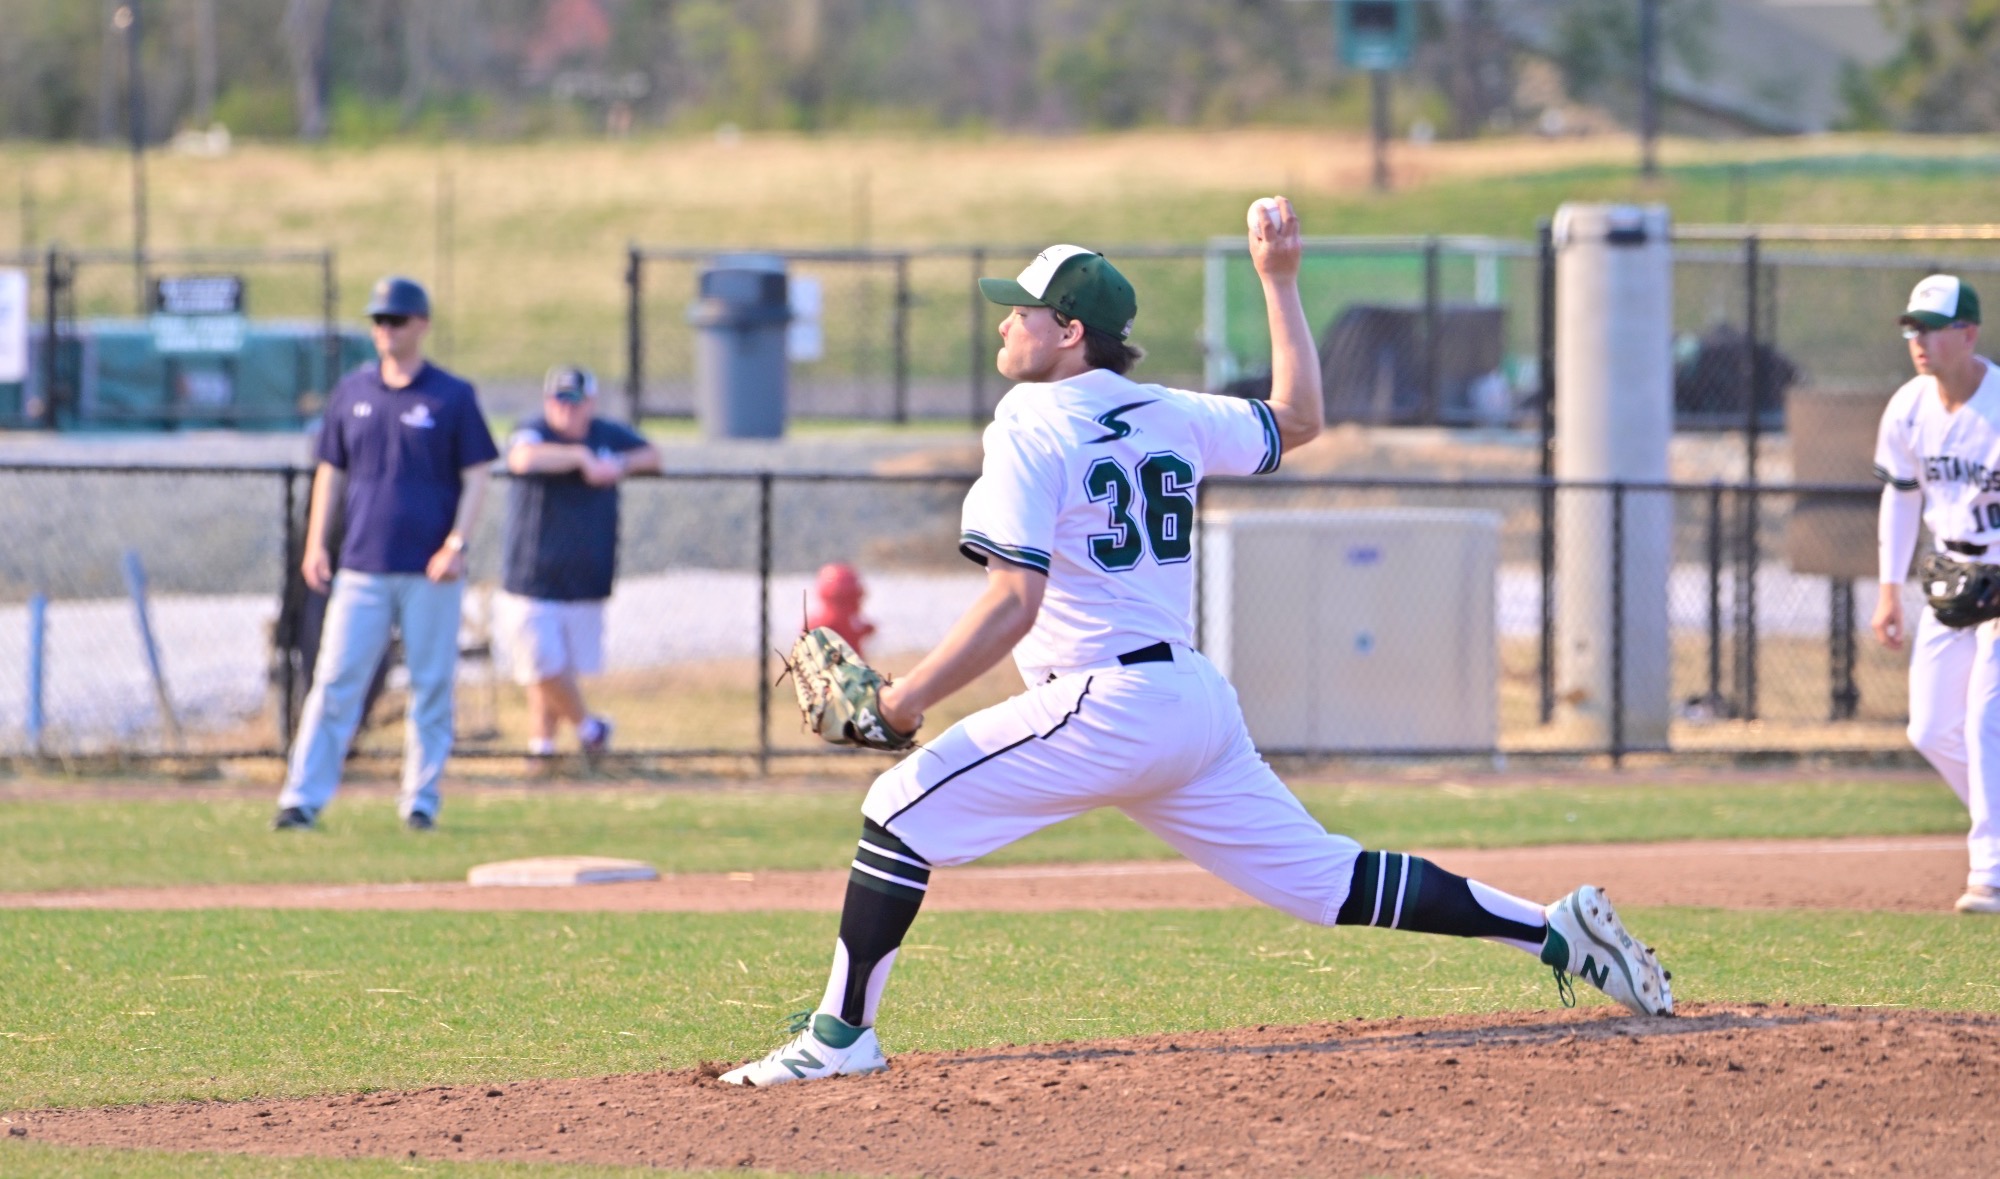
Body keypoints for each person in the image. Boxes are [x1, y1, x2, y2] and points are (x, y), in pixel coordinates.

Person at [720, 202, 1673, 1088]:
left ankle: (840, 1037)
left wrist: (902, 702)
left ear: (1070, 332)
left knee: (897, 805)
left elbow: (1014, 599)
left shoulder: (1027, 420)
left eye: (1023, 312)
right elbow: (1300, 418)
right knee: (1326, 880)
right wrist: (1281, 280)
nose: (1005, 324)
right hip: (1189, 705)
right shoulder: (1170, 412)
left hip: (1104, 704)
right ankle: (1554, 931)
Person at [272, 276, 499, 832]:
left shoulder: (451, 396)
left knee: (429, 686)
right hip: (362, 565)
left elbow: (477, 475)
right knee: (334, 681)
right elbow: (331, 470)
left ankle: (420, 801)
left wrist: (457, 544)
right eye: (378, 320)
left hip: (429, 571)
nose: (385, 330)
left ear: (420, 324)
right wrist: (316, 544)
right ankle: (301, 799)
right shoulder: (353, 393)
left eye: (395, 320)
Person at [1870, 274, 2000, 915]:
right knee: (1929, 727)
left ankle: (1990, 871)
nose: (1917, 339)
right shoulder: (1909, 407)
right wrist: (1889, 591)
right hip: (1952, 583)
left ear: (1968, 333)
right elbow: (1901, 495)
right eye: (1911, 327)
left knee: (1985, 720)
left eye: (1931, 326)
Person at [499, 364, 660, 765]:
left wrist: (618, 465)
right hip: (533, 575)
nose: (566, 411)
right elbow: (521, 458)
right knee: (541, 661)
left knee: (560, 669)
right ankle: (591, 728)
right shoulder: (536, 431)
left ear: (591, 403)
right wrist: (579, 459)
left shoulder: (607, 435)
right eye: (559, 401)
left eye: (575, 402)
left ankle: (544, 749)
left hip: (584, 575)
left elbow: (653, 455)